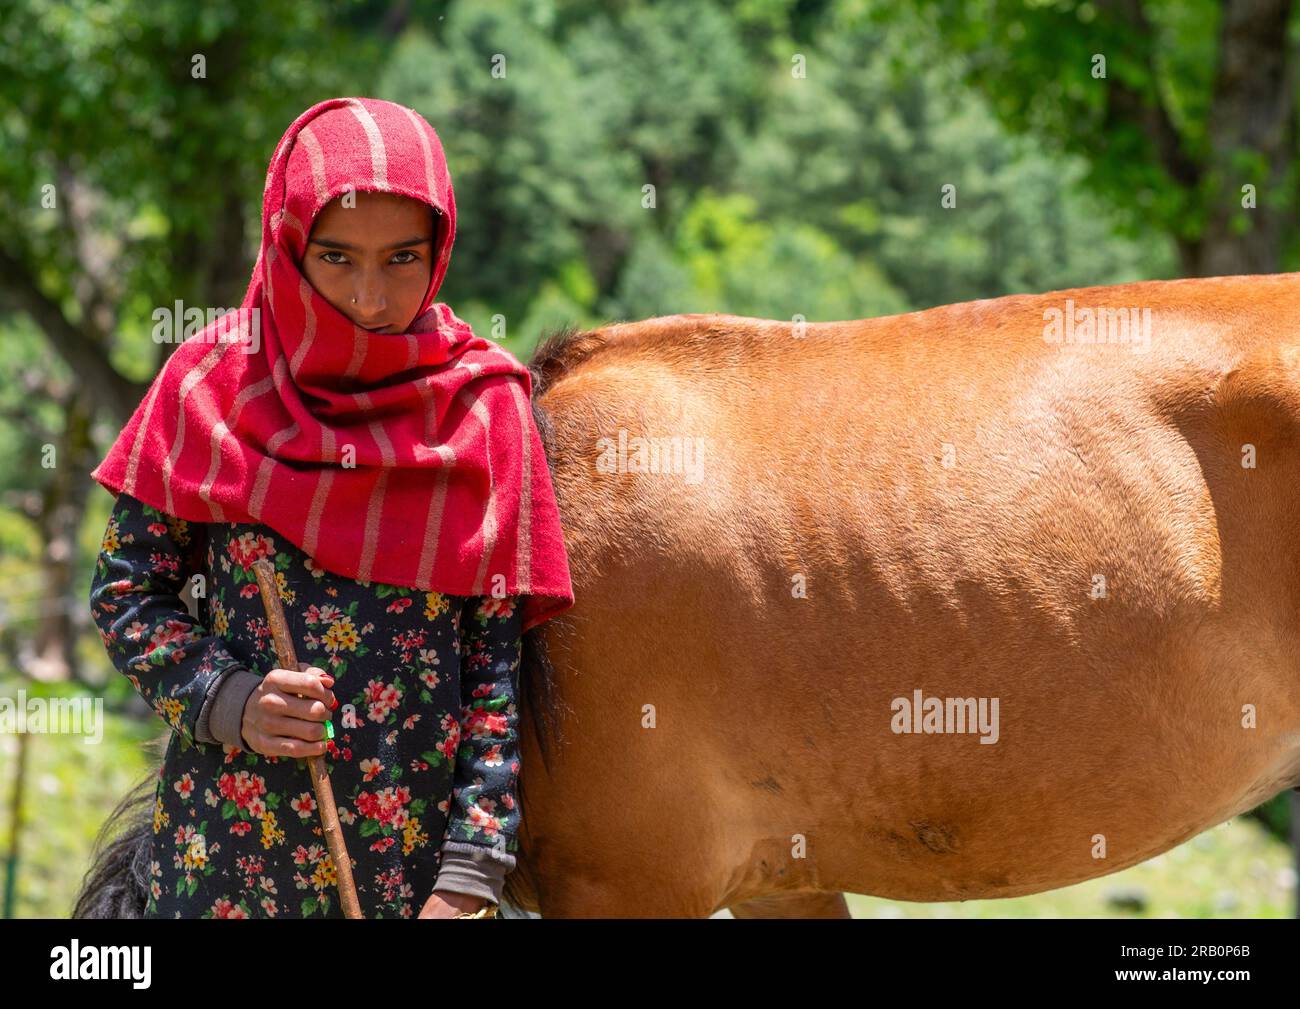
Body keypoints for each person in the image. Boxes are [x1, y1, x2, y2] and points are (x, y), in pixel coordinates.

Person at [87, 97, 574, 919]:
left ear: (441, 248)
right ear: (288, 245)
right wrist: (230, 698)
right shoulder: (209, 385)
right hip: (217, 876)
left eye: (403, 258)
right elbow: (126, 596)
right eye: (338, 257)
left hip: (405, 887)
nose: (371, 296)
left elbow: (495, 677)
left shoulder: (485, 411)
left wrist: (467, 880)